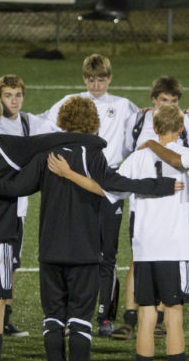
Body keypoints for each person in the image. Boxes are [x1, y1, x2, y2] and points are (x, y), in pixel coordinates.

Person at [0, 96, 178, 361]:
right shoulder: (93, 153)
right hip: (85, 250)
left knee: (54, 320)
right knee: (79, 322)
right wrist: (162, 186)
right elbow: (116, 184)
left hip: (49, 249)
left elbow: (15, 188)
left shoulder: (47, 154)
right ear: (92, 123)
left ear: (62, 121)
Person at [62, 105, 189, 361]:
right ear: (181, 129)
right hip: (175, 250)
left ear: (154, 126)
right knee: (174, 318)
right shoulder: (188, 157)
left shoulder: (138, 157)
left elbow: (106, 189)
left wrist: (69, 174)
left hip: (143, 252)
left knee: (146, 318)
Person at [42, 54, 139, 338]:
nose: (96, 85)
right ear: (85, 79)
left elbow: (143, 128)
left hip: (108, 182)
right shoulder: (70, 102)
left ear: (110, 78)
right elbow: (42, 125)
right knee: (77, 250)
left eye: (101, 79)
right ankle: (74, 314)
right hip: (77, 183)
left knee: (107, 254)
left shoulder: (124, 106)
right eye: (91, 79)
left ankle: (104, 316)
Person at [114, 75, 189, 340]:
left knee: (161, 257)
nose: (169, 104)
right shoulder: (137, 120)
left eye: (174, 101)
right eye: (164, 100)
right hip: (141, 207)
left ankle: (157, 314)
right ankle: (131, 315)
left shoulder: (187, 123)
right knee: (138, 257)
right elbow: (126, 153)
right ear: (154, 100)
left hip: (174, 211)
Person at [0, 73, 58, 337]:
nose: (14, 100)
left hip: (17, 208)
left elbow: (61, 128)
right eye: (8, 95)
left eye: (18, 95)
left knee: (11, 264)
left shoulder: (28, 122)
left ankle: (4, 319)